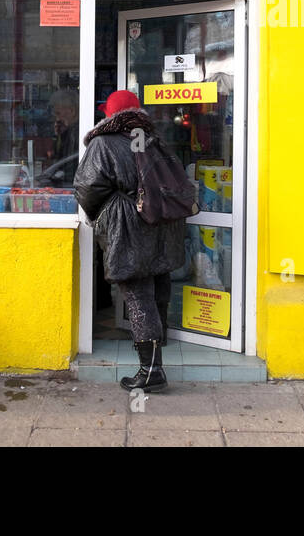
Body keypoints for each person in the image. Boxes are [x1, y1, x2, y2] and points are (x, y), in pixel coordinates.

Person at [73, 90, 186, 392]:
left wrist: (104, 214)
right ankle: (157, 352)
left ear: (109, 116)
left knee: (138, 297)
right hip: (163, 225)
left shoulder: (103, 143)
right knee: (158, 287)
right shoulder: (153, 139)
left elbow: (87, 188)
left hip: (129, 225)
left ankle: (151, 371)